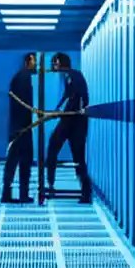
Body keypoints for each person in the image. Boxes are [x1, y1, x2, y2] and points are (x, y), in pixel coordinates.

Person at [45, 52, 92, 204]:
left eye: (55, 63)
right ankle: (84, 192)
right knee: (76, 156)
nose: (54, 66)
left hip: (74, 121)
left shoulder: (73, 75)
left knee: (57, 148)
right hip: (74, 120)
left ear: (61, 62)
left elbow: (79, 97)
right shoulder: (71, 76)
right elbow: (70, 97)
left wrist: (65, 112)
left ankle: (51, 184)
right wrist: (58, 110)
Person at [1, 52, 37, 204]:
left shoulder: (20, 77)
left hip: (19, 127)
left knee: (15, 161)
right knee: (22, 161)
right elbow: (24, 104)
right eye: (35, 61)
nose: (36, 65)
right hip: (22, 127)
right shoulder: (24, 77)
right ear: (29, 60)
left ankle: (10, 194)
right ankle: (17, 194)